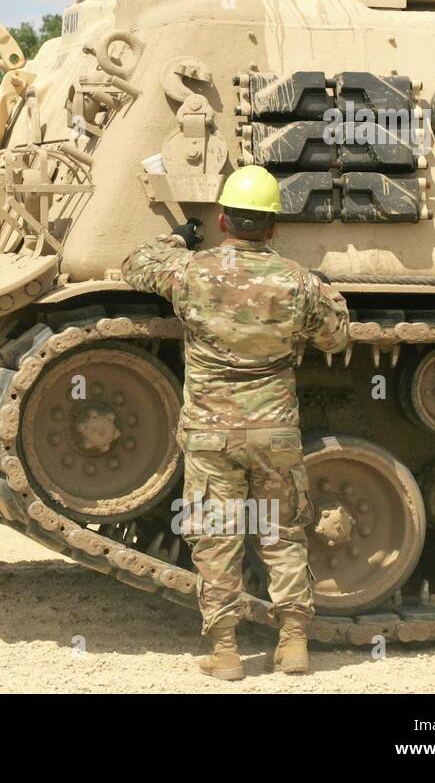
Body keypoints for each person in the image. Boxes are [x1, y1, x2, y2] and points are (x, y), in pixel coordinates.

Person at [122, 165, 349, 680]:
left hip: (211, 433)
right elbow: (336, 336)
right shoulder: (296, 282)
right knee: (281, 530)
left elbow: (136, 262)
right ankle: (293, 644)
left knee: (216, 535)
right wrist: (324, 290)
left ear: (223, 220)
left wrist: (178, 238)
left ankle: (225, 651)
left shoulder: (193, 273)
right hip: (273, 432)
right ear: (272, 228)